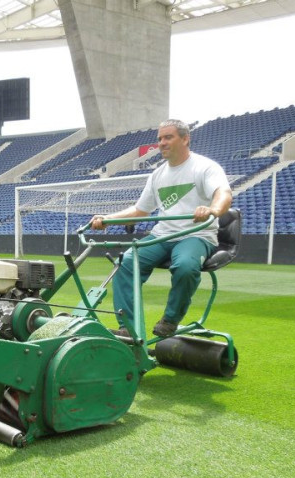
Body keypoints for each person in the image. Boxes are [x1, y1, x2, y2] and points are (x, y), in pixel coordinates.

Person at [91, 119, 233, 338]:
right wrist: (107, 219)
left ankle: (170, 320)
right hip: (162, 235)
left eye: (168, 137)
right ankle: (128, 328)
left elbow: (223, 194)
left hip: (195, 235)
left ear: (185, 139)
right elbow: (140, 211)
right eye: (159, 139)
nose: (162, 143)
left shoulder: (205, 167)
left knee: (185, 266)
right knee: (126, 263)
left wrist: (212, 210)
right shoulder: (157, 175)